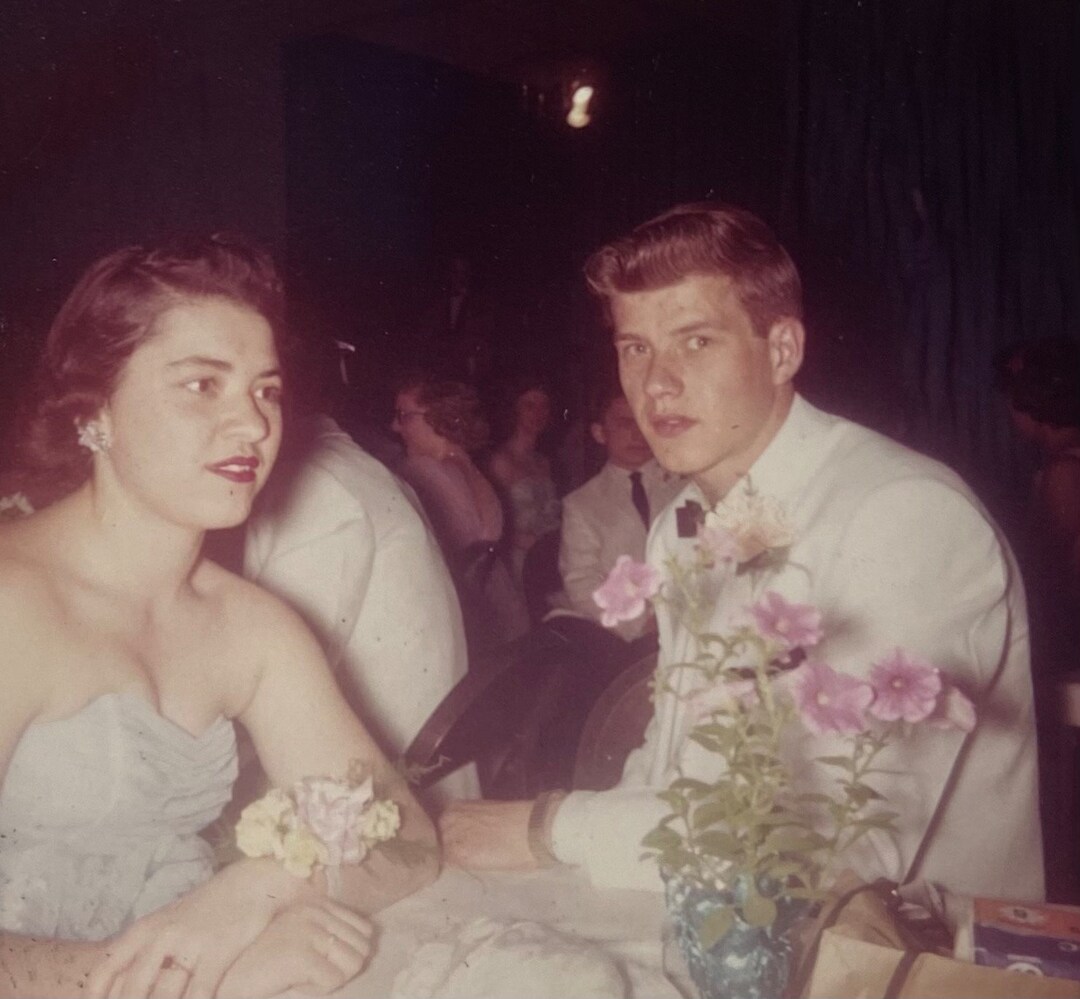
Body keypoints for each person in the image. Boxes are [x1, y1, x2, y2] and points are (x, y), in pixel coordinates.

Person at [440, 203, 1043, 908]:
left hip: (906, 956)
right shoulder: (679, 524)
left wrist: (550, 827)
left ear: (783, 350)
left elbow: (834, 840)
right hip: (727, 920)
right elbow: (671, 764)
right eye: (636, 347)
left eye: (695, 341)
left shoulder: (904, 514)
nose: (656, 383)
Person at [0, 234, 439, 999]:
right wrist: (198, 977)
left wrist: (254, 893)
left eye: (266, 390)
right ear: (94, 408)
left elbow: (406, 840)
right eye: (203, 385)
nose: (252, 425)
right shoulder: (12, 600)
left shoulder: (255, 627)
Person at [243, 410, 480, 806]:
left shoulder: (319, 486)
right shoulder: (352, 467)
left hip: (384, 799)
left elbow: (268, 688)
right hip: (411, 776)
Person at [392, 376, 528, 651]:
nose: (394, 426)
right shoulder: (468, 465)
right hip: (504, 606)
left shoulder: (417, 471)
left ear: (439, 418)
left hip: (465, 615)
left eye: (404, 416)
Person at [549, 384, 683, 642]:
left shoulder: (684, 483)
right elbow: (582, 583)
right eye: (624, 423)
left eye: (644, 421)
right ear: (600, 433)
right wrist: (640, 625)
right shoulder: (583, 504)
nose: (638, 433)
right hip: (627, 632)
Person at [487, 377, 562, 584]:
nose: (538, 412)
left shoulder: (543, 462)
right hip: (519, 561)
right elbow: (493, 526)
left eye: (544, 406)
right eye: (530, 405)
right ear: (515, 410)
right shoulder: (501, 461)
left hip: (551, 555)